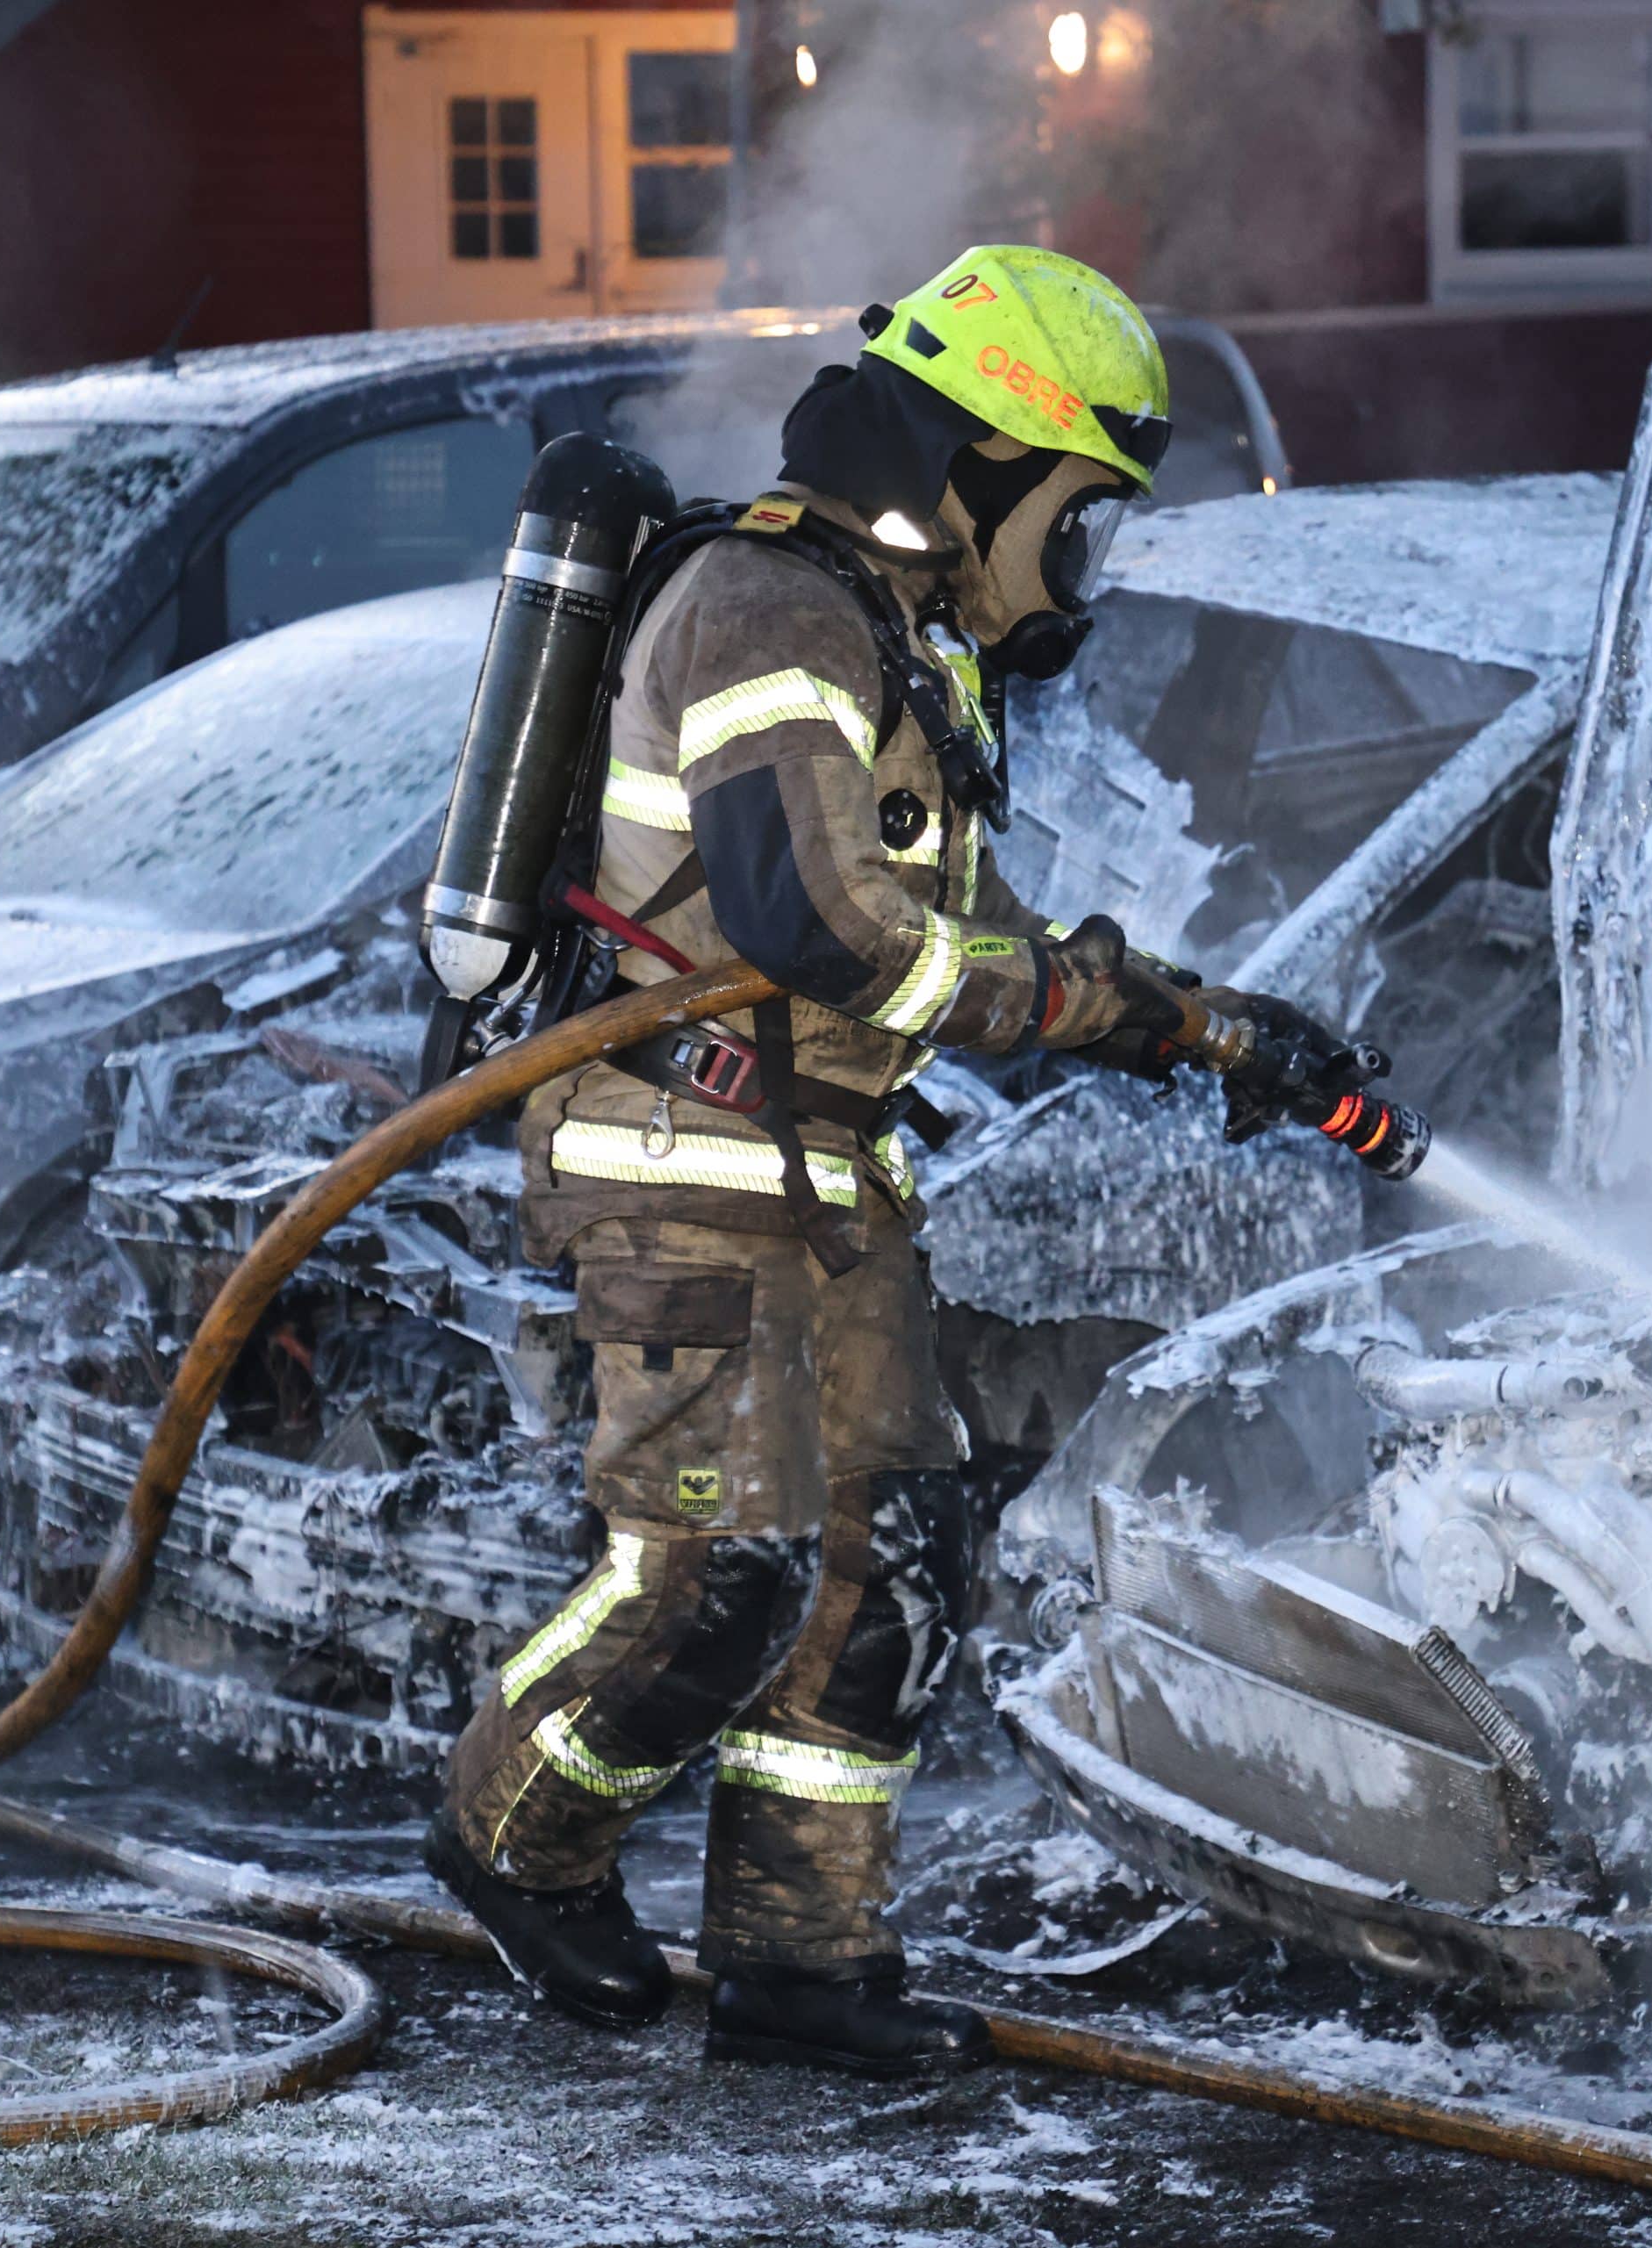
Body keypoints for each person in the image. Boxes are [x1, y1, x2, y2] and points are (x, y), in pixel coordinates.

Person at [432, 248, 1282, 2078]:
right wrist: (1077, 1002)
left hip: (823, 1165)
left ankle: (797, 1961)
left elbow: (949, 932)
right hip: (680, 1143)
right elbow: (825, 924)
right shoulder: (764, 605)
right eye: (1081, 516)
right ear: (984, 462)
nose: (1084, 566)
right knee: (713, 1570)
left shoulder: (901, 645)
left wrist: (1178, 1011)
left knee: (876, 1563)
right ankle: (511, 1831)